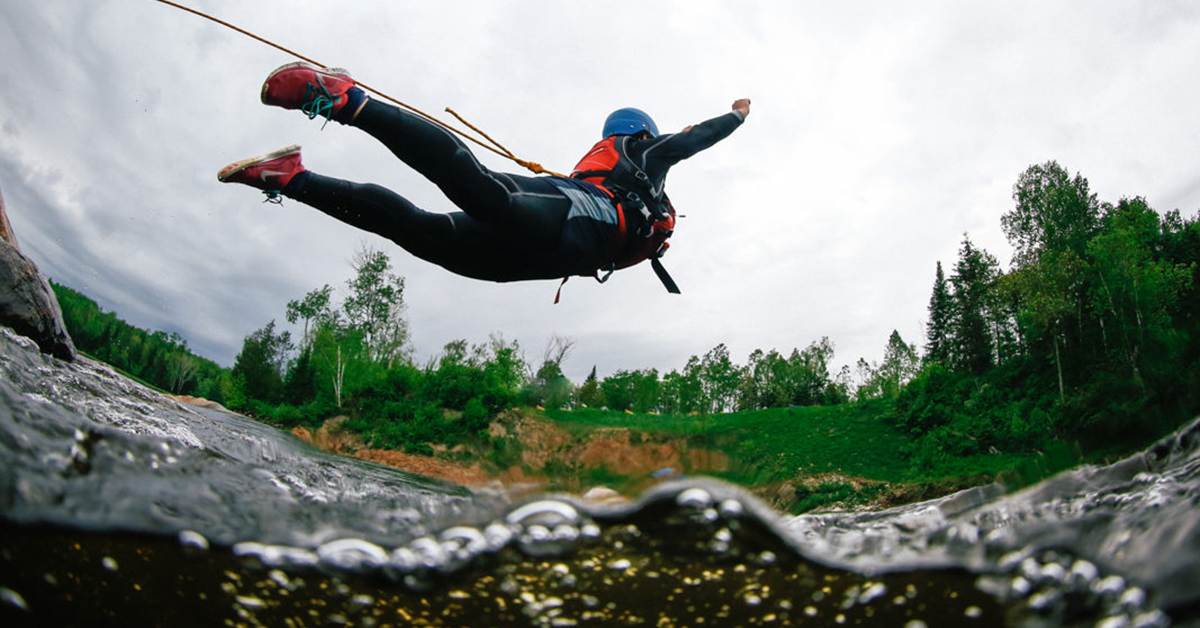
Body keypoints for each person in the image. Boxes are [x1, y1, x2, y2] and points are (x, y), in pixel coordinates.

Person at [218, 62, 750, 295]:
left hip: (565, 242)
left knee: (429, 234)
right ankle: (343, 102)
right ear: (643, 132)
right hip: (574, 234)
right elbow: (690, 141)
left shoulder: (636, 163)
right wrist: (735, 117)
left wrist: (733, 117)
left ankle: (290, 177)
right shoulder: (643, 154)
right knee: (480, 200)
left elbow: (684, 143)